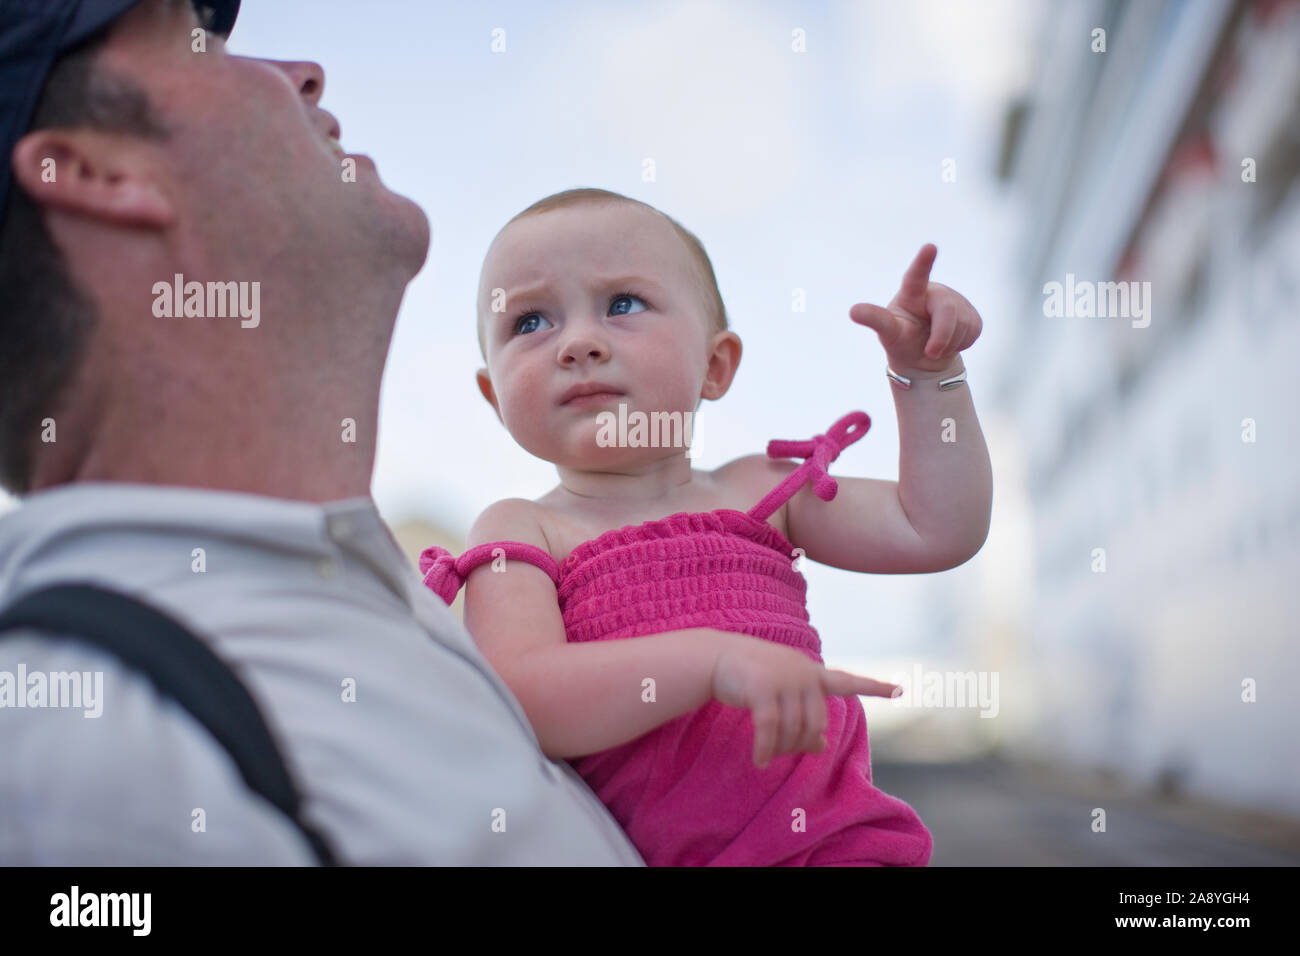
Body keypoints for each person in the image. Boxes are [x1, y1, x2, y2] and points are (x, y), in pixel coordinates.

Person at [0, 0, 644, 866]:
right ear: (93, 170)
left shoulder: (414, 613)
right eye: (200, 43)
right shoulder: (85, 746)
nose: (303, 72)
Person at [417, 188, 993, 865]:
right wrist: (715, 662)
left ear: (716, 366)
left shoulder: (763, 490)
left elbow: (937, 529)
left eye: (622, 305)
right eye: (530, 321)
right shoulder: (524, 527)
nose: (577, 343)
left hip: (840, 846)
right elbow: (526, 698)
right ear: (493, 397)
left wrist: (930, 378)